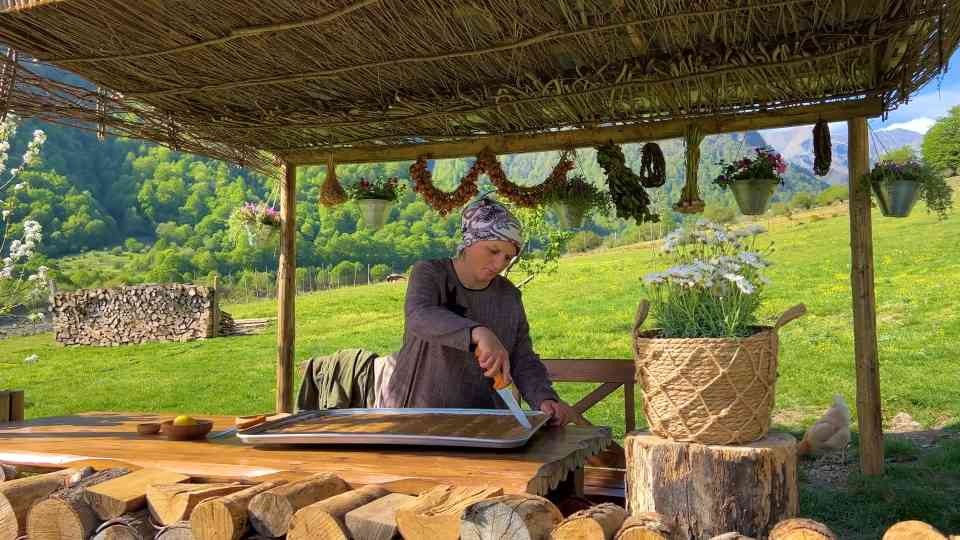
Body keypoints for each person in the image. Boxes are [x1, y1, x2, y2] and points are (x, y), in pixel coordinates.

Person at [381, 197, 574, 426]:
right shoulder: (431, 273)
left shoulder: (509, 296)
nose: (500, 264)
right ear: (470, 240)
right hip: (417, 416)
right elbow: (419, 316)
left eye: (508, 257)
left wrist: (543, 398)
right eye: (493, 250)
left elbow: (522, 358)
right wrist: (478, 332)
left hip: (485, 423)